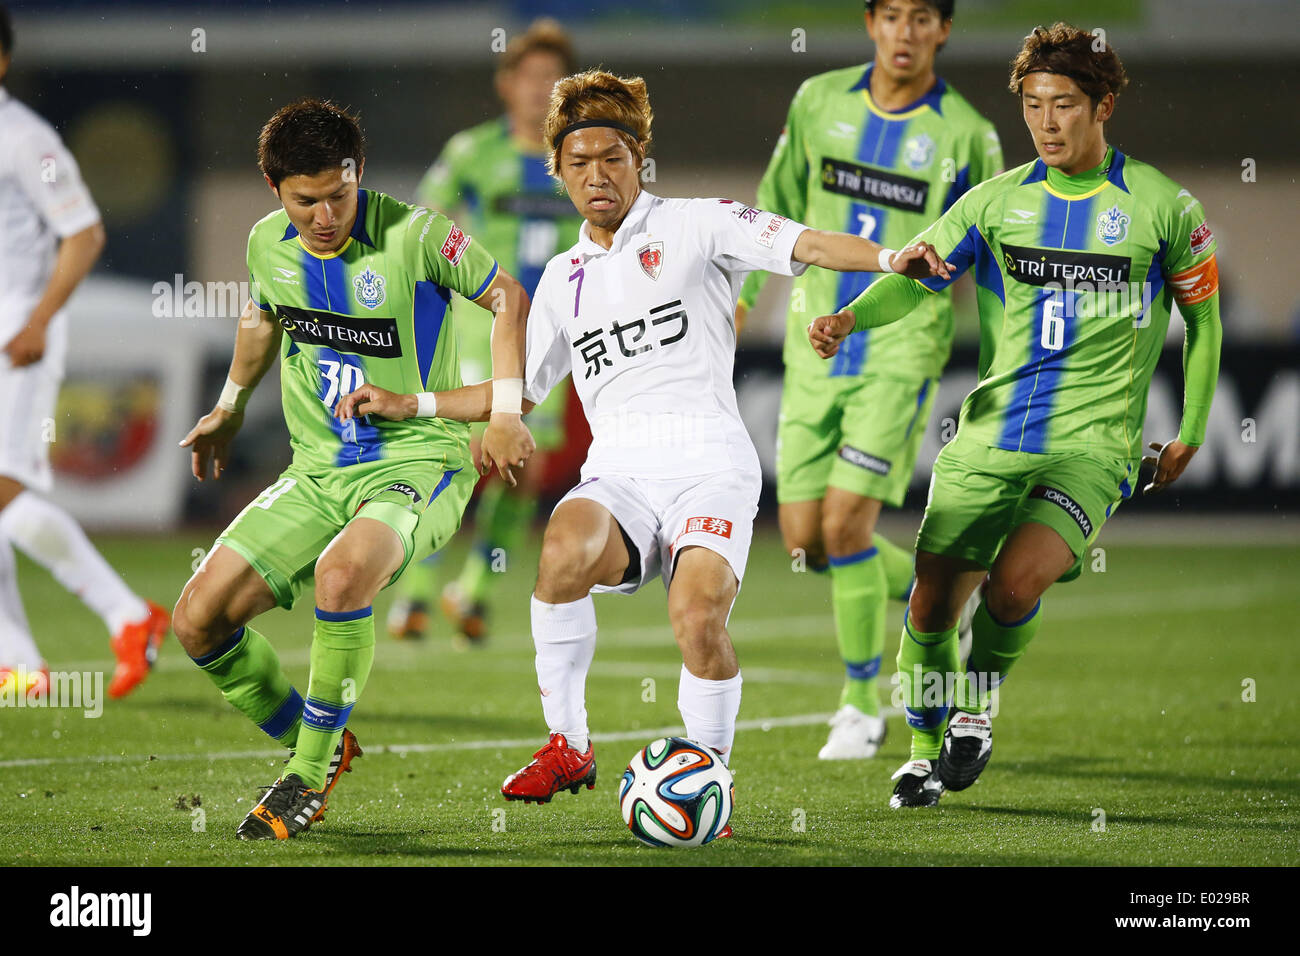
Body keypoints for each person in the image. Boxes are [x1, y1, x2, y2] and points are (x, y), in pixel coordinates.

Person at [338, 70, 950, 833]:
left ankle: (710, 775)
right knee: (560, 550)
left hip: (710, 469)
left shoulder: (700, 224)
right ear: (556, 171)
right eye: (580, 161)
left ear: (639, 160)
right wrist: (411, 404)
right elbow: (515, 393)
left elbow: (810, 242)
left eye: (614, 158)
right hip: (621, 475)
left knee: (696, 617)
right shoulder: (562, 280)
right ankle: (570, 745)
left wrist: (891, 260)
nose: (598, 175)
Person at [808, 23, 1222, 807]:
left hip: (1093, 447)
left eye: (1063, 104)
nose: (1046, 122)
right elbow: (918, 275)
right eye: (1032, 105)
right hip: (993, 434)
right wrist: (852, 319)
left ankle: (974, 711)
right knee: (931, 604)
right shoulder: (997, 201)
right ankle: (926, 753)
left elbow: (1204, 323)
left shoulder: (1164, 207)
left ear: (1103, 105)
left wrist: (1193, 427)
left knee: (1013, 586)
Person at [171, 99, 534, 840]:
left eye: (340, 194)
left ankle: (304, 776)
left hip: (419, 458)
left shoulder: (417, 234)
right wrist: (231, 405)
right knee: (197, 622)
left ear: (357, 173)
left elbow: (508, 296)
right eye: (306, 201)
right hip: (318, 471)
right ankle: (319, 743)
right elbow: (262, 316)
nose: (326, 215)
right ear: (275, 188)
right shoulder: (266, 244)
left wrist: (502, 412)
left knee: (343, 577)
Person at [737, 0, 1002, 760]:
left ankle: (859, 704)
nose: (906, 33)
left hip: (900, 349)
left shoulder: (968, 135)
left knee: (847, 526)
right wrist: (745, 300)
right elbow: (776, 208)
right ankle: (959, 593)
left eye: (924, 18)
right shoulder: (818, 101)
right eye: (893, 15)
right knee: (806, 540)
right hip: (811, 344)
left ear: (943, 30)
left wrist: (997, 355)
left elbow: (985, 252)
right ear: (871, 23)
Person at [392, 18, 587, 646]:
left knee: (524, 467)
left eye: (552, 79)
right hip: (484, 328)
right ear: (507, 85)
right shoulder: (473, 151)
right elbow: (421, 222)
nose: (539, 89)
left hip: (556, 336)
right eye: (529, 77)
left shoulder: (584, 158)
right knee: (465, 457)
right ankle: (415, 593)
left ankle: (472, 587)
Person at [0, 2, 168, 702]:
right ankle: (19, 664)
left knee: (5, 495)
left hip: (20, 332)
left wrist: (39, 318)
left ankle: (129, 615)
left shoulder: (24, 137)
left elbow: (86, 234)